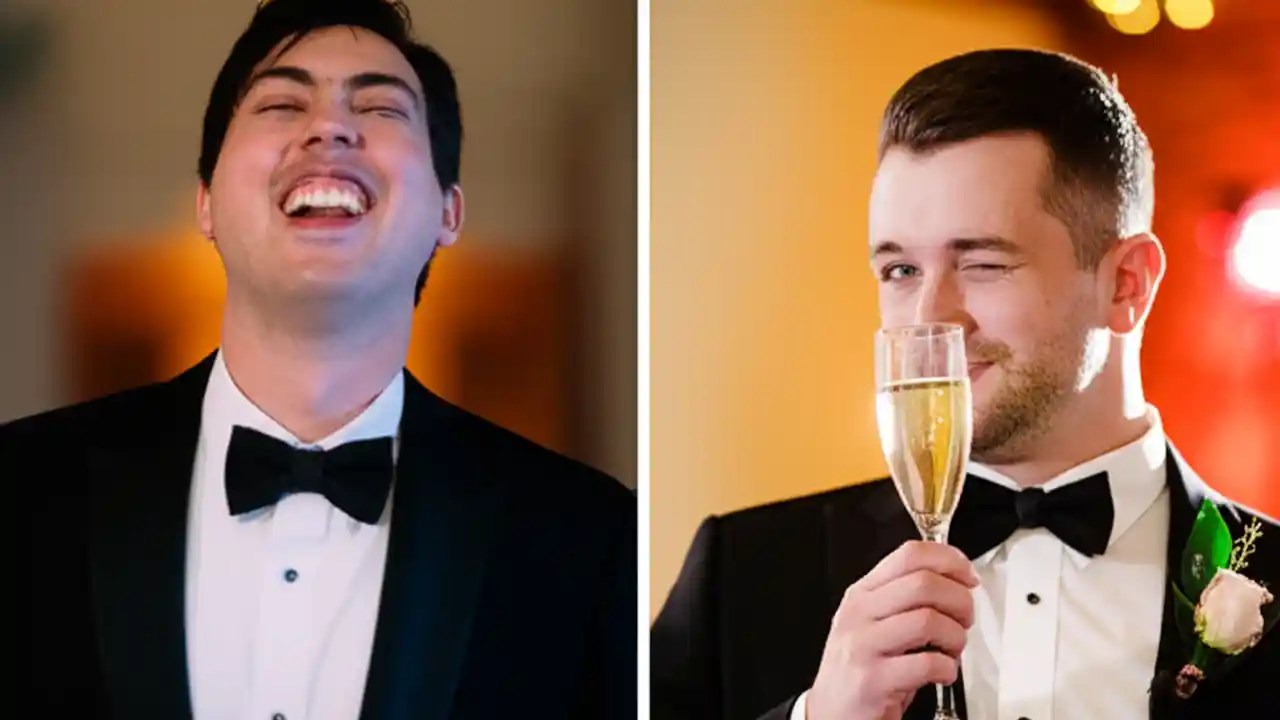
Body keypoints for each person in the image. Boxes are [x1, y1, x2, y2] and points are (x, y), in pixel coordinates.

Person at [4, 1, 635, 718]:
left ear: (448, 212)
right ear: (206, 201)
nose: (330, 127)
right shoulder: (20, 493)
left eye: (380, 108)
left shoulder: (588, 539)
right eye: (281, 102)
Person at [651, 48, 1279, 720]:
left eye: (982, 263)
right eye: (899, 271)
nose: (929, 319)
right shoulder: (743, 574)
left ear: (1126, 284)